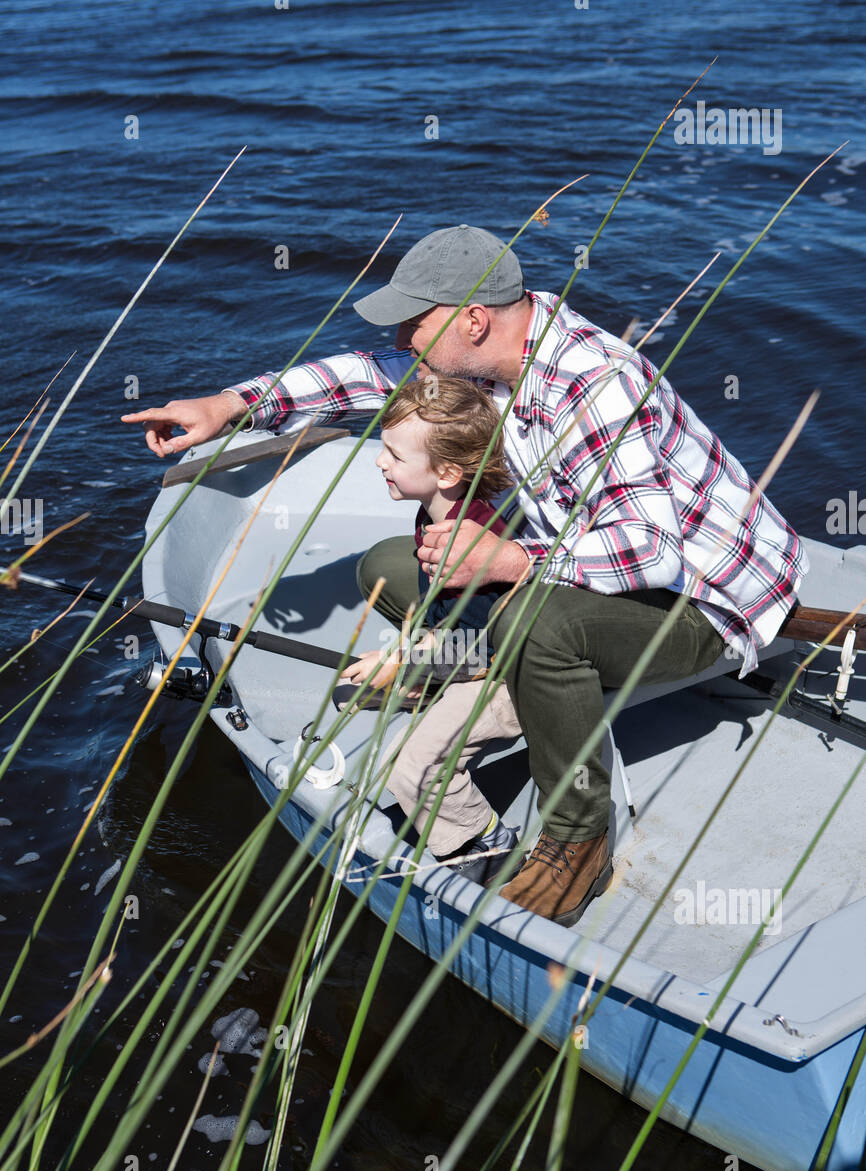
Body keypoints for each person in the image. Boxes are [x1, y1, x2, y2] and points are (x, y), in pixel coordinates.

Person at [122, 224, 808, 927]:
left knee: (528, 620)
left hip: (701, 602)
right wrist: (231, 406)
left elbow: (649, 549)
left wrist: (512, 562)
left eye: (412, 327)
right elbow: (364, 376)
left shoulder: (597, 385)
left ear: (473, 320)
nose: (400, 345)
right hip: (584, 569)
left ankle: (576, 840)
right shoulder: (488, 358)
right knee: (393, 567)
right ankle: (469, 665)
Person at [341, 376, 525, 886]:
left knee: (412, 772)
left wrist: (403, 664)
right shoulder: (437, 514)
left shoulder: (473, 540)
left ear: (446, 471)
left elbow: (485, 649)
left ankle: (486, 842)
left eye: (395, 456)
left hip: (509, 675)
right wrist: (412, 652)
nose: (381, 462)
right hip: (471, 654)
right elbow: (446, 612)